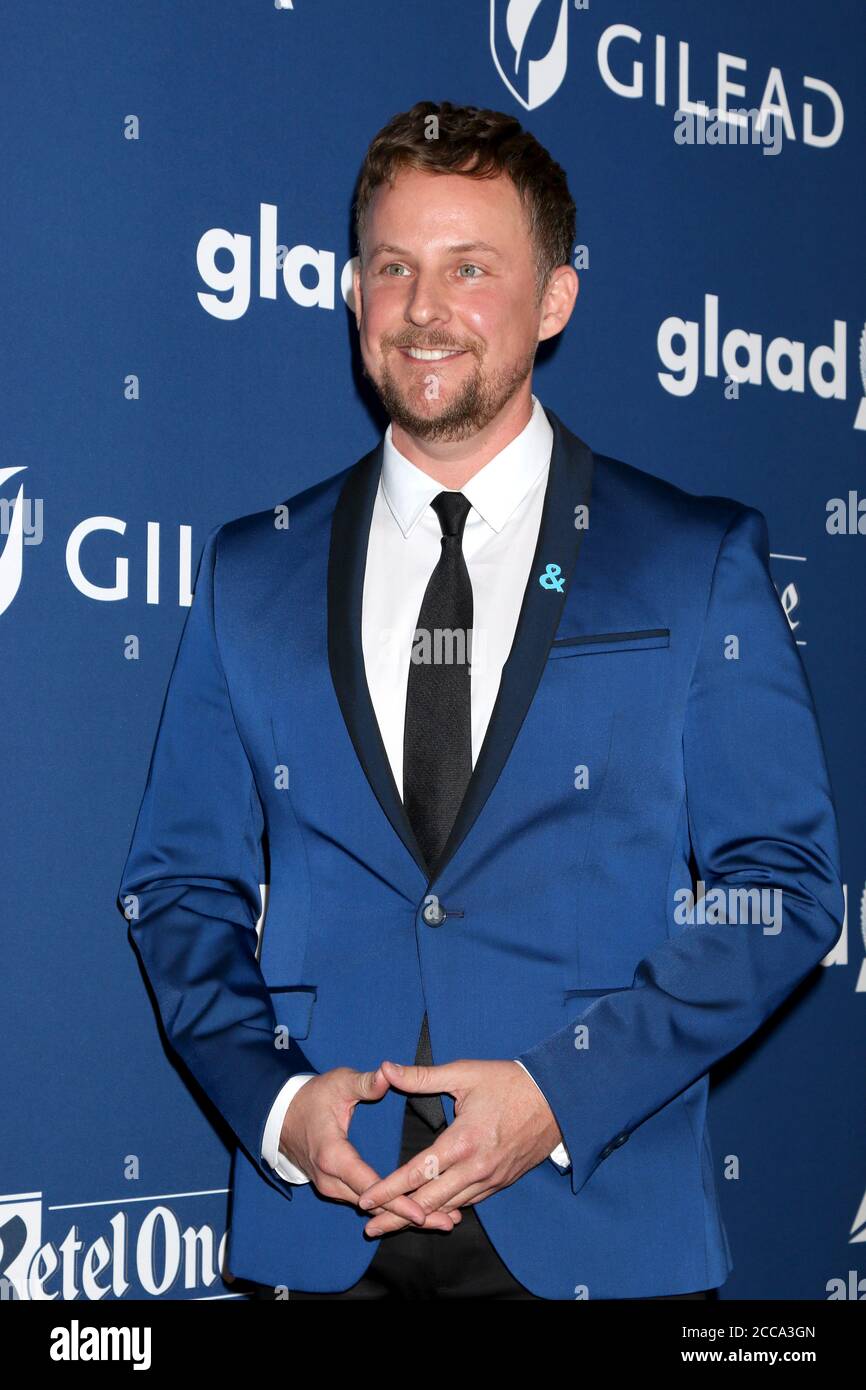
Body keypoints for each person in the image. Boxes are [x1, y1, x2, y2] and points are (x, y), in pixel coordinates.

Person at [117, 101, 844, 1300]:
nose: (423, 309)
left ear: (553, 300)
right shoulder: (252, 571)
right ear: (353, 295)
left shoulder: (689, 557)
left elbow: (784, 885)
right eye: (392, 268)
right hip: (322, 1238)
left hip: (595, 1228)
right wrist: (282, 1102)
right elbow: (179, 882)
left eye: (469, 269)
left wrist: (564, 1092)